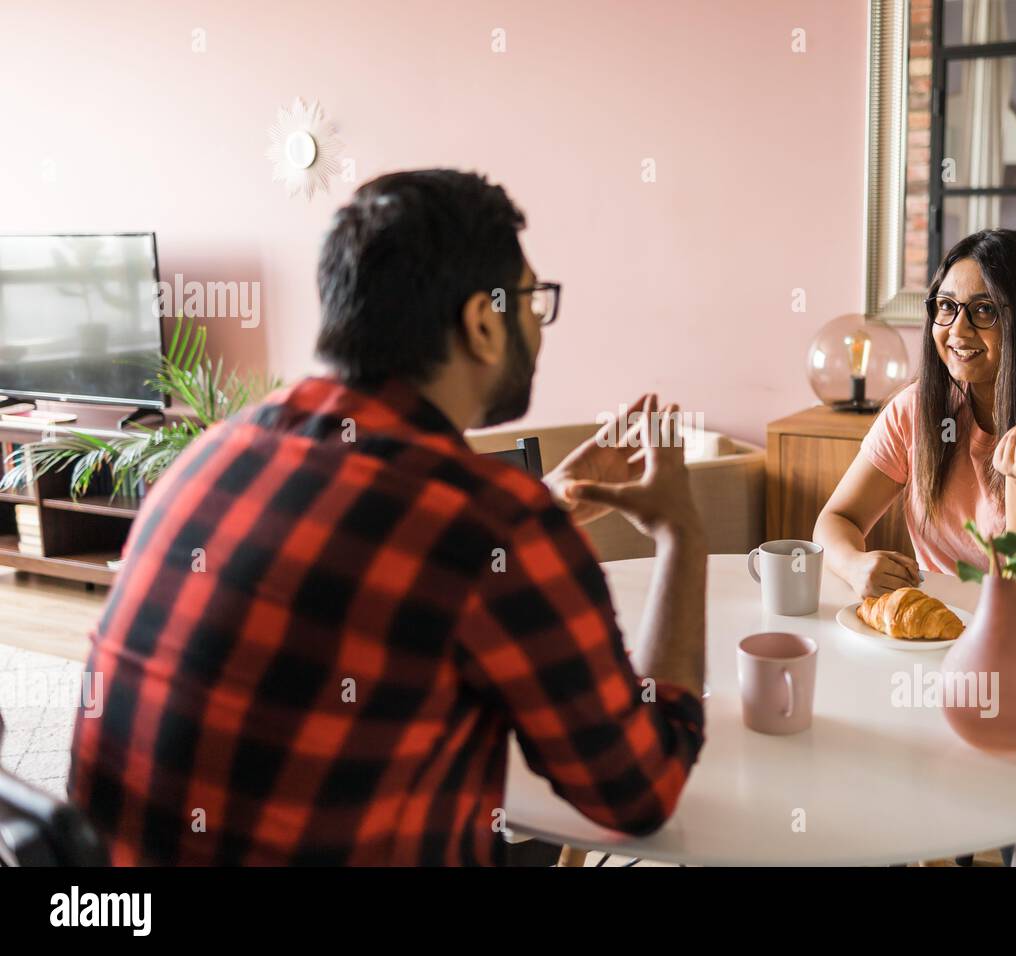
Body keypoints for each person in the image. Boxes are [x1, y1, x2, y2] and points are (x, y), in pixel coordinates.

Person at [69, 169, 708, 865]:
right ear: (484, 323)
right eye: (533, 302)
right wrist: (682, 534)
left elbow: (346, 565)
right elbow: (641, 791)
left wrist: (546, 501)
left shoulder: (212, 456)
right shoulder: (491, 524)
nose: (538, 325)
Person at [814, 229, 1016, 607]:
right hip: (944, 627)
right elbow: (837, 518)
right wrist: (854, 564)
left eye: (985, 310)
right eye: (947, 306)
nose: (957, 330)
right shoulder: (916, 410)